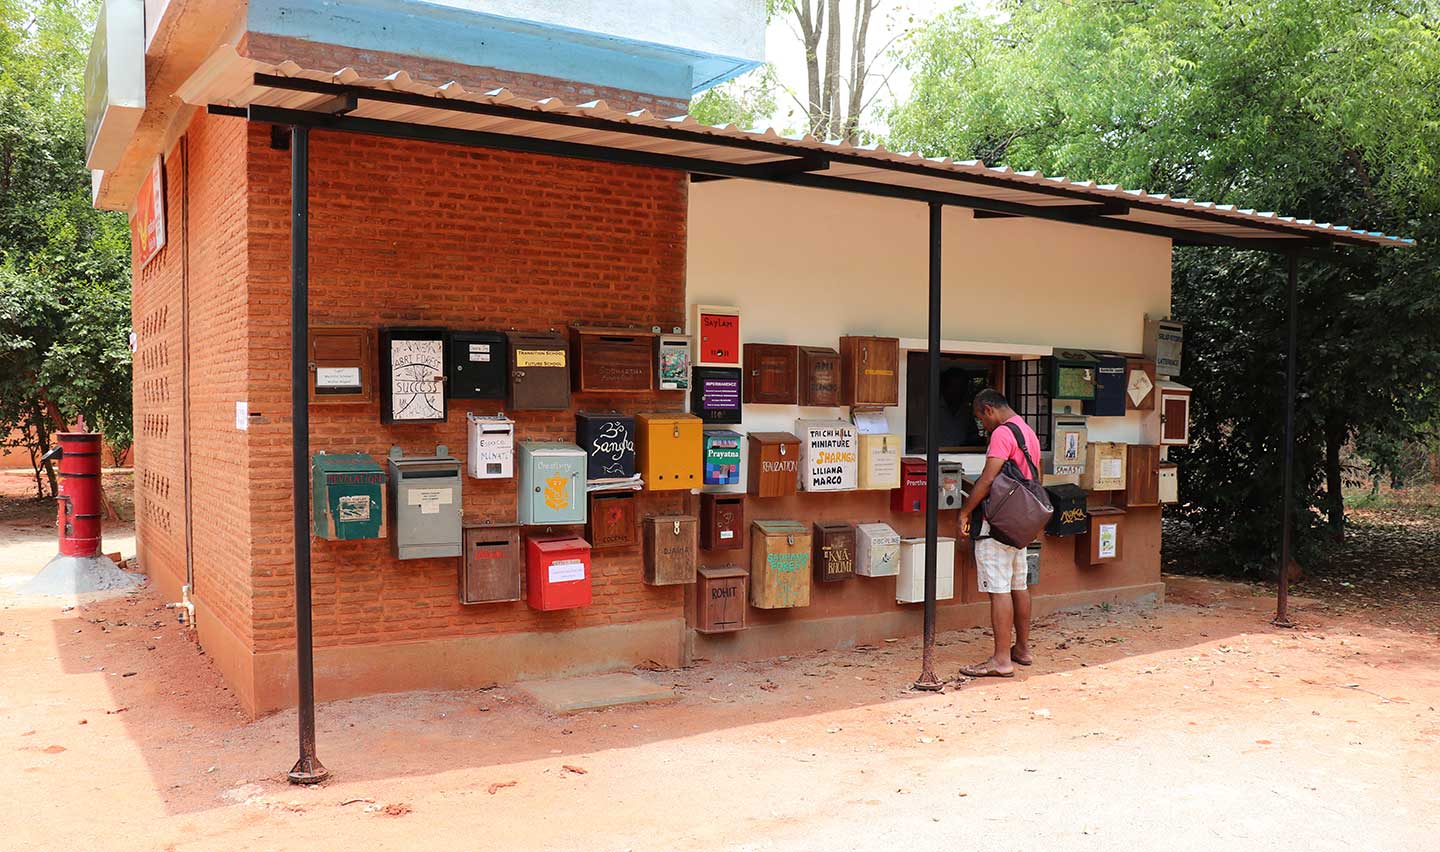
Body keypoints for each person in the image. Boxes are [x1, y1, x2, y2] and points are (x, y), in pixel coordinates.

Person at [957, 388, 1041, 678]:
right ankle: (1023, 649)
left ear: (989, 410)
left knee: (999, 589)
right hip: (1021, 522)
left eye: (982, 418)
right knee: (1019, 584)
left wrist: (965, 511)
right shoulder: (1026, 431)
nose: (983, 425)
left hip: (997, 523)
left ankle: (1001, 660)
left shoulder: (1002, 434)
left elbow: (988, 478)